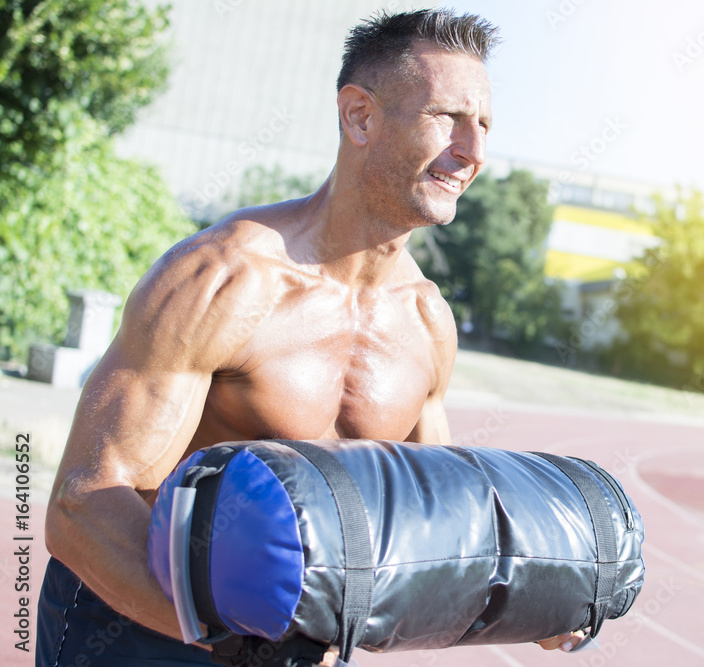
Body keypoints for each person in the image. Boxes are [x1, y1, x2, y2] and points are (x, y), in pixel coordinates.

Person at [38, 9, 581, 666]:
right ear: (359, 117)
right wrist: (233, 639)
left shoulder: (427, 324)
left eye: (485, 125)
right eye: (448, 117)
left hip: (293, 646)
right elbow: (81, 504)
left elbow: (437, 532)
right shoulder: (225, 279)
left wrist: (538, 593)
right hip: (133, 625)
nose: (474, 151)